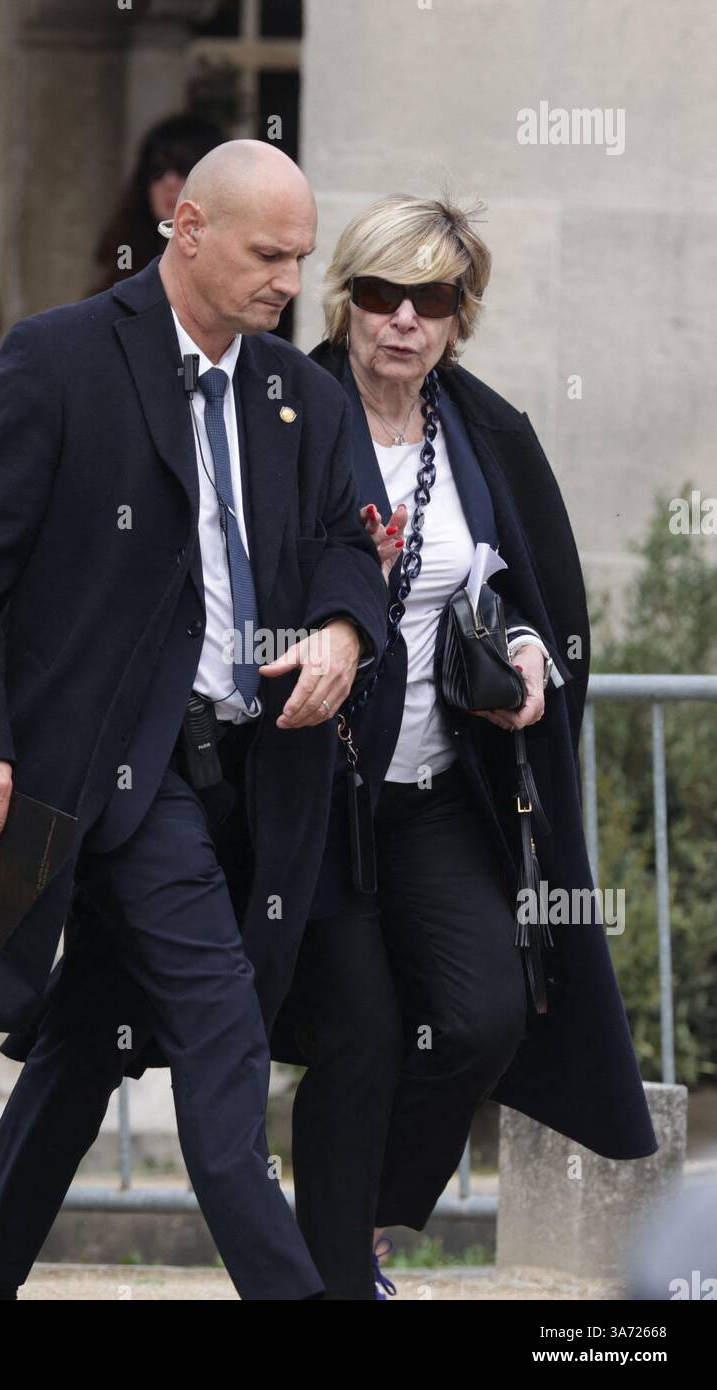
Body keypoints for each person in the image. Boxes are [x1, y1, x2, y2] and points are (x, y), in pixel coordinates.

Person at [0, 139, 385, 1301]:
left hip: (252, 784)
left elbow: (344, 548)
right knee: (222, 1043)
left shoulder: (299, 396)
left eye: (302, 258)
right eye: (268, 254)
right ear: (188, 231)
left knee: (87, 1043)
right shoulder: (57, 358)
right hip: (109, 779)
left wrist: (342, 632)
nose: (288, 280)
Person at [269, 193, 659, 1299]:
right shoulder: (282, 415)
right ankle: (336, 1273)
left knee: (485, 1010)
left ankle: (373, 1224)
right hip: (317, 793)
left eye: (428, 298)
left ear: (458, 314)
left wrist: (530, 653)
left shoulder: (486, 433)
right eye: (380, 294)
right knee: (361, 1032)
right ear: (346, 300)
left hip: (438, 790)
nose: (401, 319)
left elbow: (519, 589)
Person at [88, 113, 225, 294]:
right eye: (157, 171)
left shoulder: (235, 262)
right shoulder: (126, 265)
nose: (169, 182)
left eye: (184, 168)